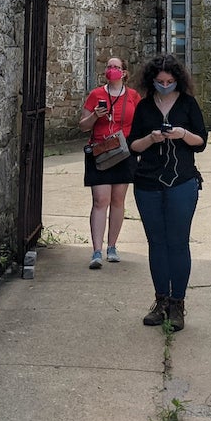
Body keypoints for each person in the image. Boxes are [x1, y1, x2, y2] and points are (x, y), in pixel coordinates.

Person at [126, 53, 208, 331]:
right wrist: (151, 138)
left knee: (178, 242)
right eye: (160, 81)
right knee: (156, 243)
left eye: (170, 81)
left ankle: (177, 303)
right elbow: (133, 145)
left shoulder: (188, 104)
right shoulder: (145, 107)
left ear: (178, 80)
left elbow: (201, 142)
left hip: (182, 182)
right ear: (152, 81)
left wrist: (182, 134)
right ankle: (160, 301)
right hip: (148, 182)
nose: (165, 85)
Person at [80, 56, 140, 269]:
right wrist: (96, 116)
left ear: (124, 72)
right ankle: (96, 250)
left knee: (117, 200)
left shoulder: (133, 96)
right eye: (109, 66)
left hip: (123, 153)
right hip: (100, 151)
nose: (112, 69)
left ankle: (112, 246)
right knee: (100, 200)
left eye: (116, 67)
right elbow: (83, 126)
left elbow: (140, 123)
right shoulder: (96, 94)